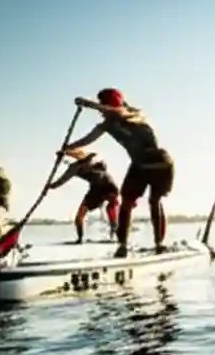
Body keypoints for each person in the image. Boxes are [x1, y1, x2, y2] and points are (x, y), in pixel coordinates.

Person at [63, 88, 175, 257]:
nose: (101, 110)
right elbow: (88, 139)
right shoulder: (106, 125)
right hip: (138, 165)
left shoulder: (133, 114)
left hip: (158, 162)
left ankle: (159, 244)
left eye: (103, 106)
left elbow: (118, 111)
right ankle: (122, 245)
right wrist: (68, 148)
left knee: (154, 201)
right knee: (126, 202)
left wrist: (89, 104)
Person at [48, 148, 120, 243]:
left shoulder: (97, 167)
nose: (88, 163)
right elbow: (63, 179)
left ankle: (117, 234)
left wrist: (66, 153)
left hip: (108, 189)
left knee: (111, 209)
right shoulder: (74, 168)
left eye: (88, 161)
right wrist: (52, 186)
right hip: (94, 192)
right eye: (86, 162)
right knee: (79, 217)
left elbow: (101, 174)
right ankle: (80, 238)